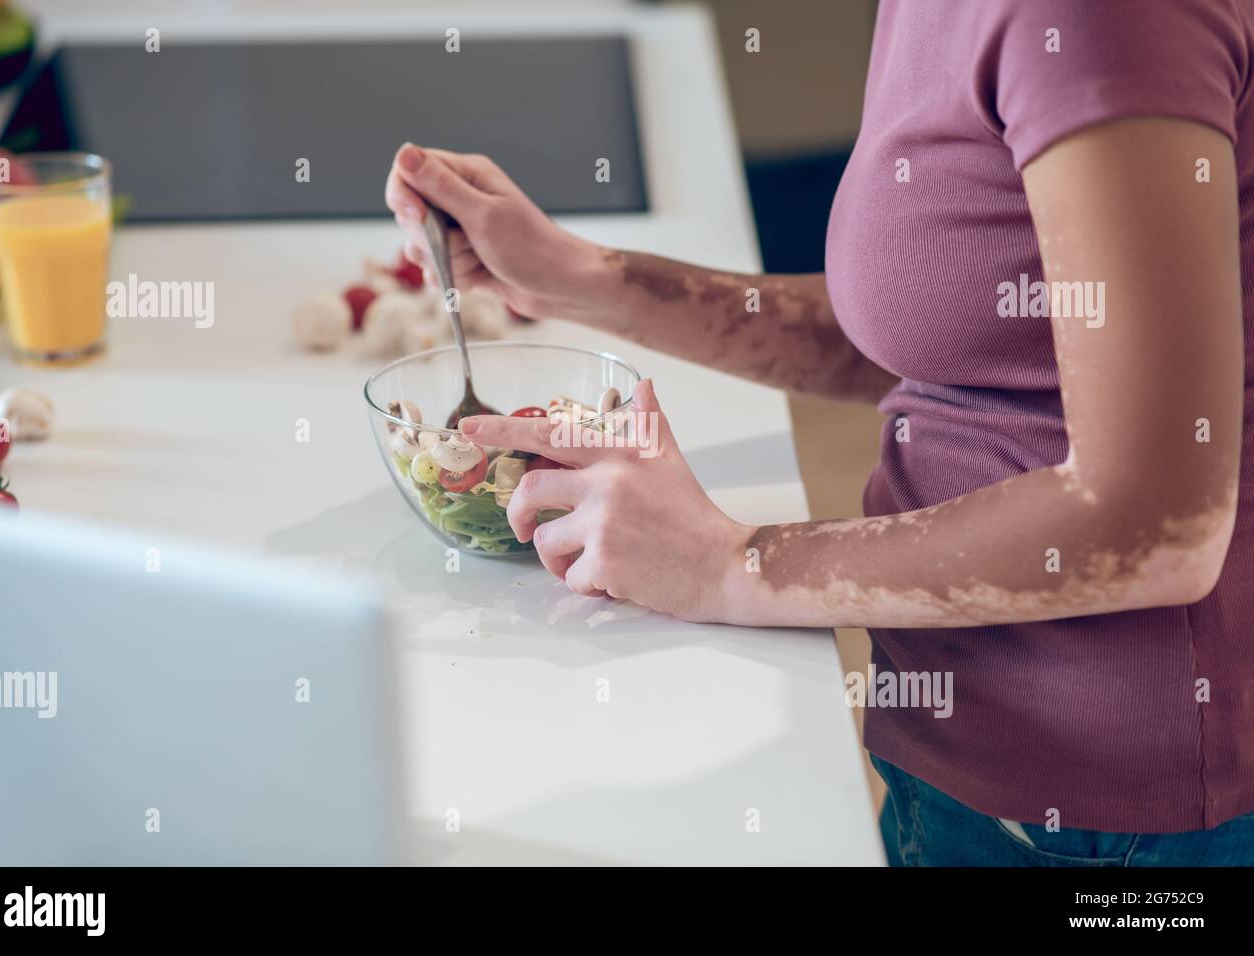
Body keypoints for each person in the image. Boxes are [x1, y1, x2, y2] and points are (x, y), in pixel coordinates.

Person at [386, 0, 1254, 866]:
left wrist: (731, 563)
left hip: (1118, 814)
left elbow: (1153, 519)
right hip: (963, 753)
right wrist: (580, 280)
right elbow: (962, 331)